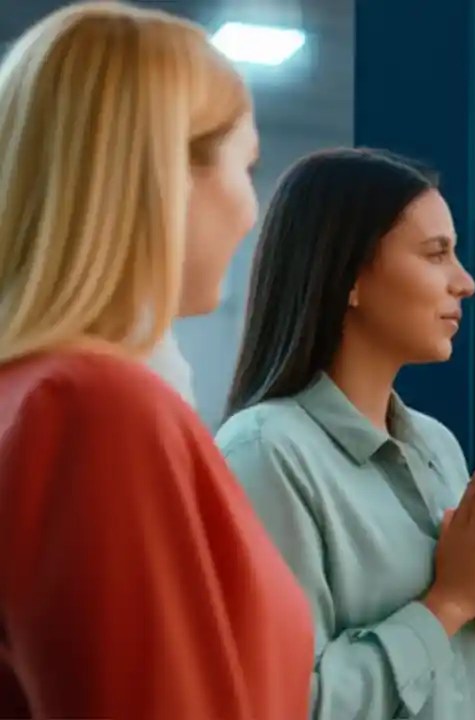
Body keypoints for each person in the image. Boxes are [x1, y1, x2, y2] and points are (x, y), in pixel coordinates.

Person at [0, 3, 314, 719]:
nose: (252, 212)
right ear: (165, 175)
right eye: (246, 166)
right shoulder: (98, 410)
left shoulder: (34, 396)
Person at [215, 147, 475, 720]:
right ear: (350, 276)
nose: (465, 282)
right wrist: (446, 605)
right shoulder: (265, 454)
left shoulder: (438, 449)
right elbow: (282, 705)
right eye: (436, 254)